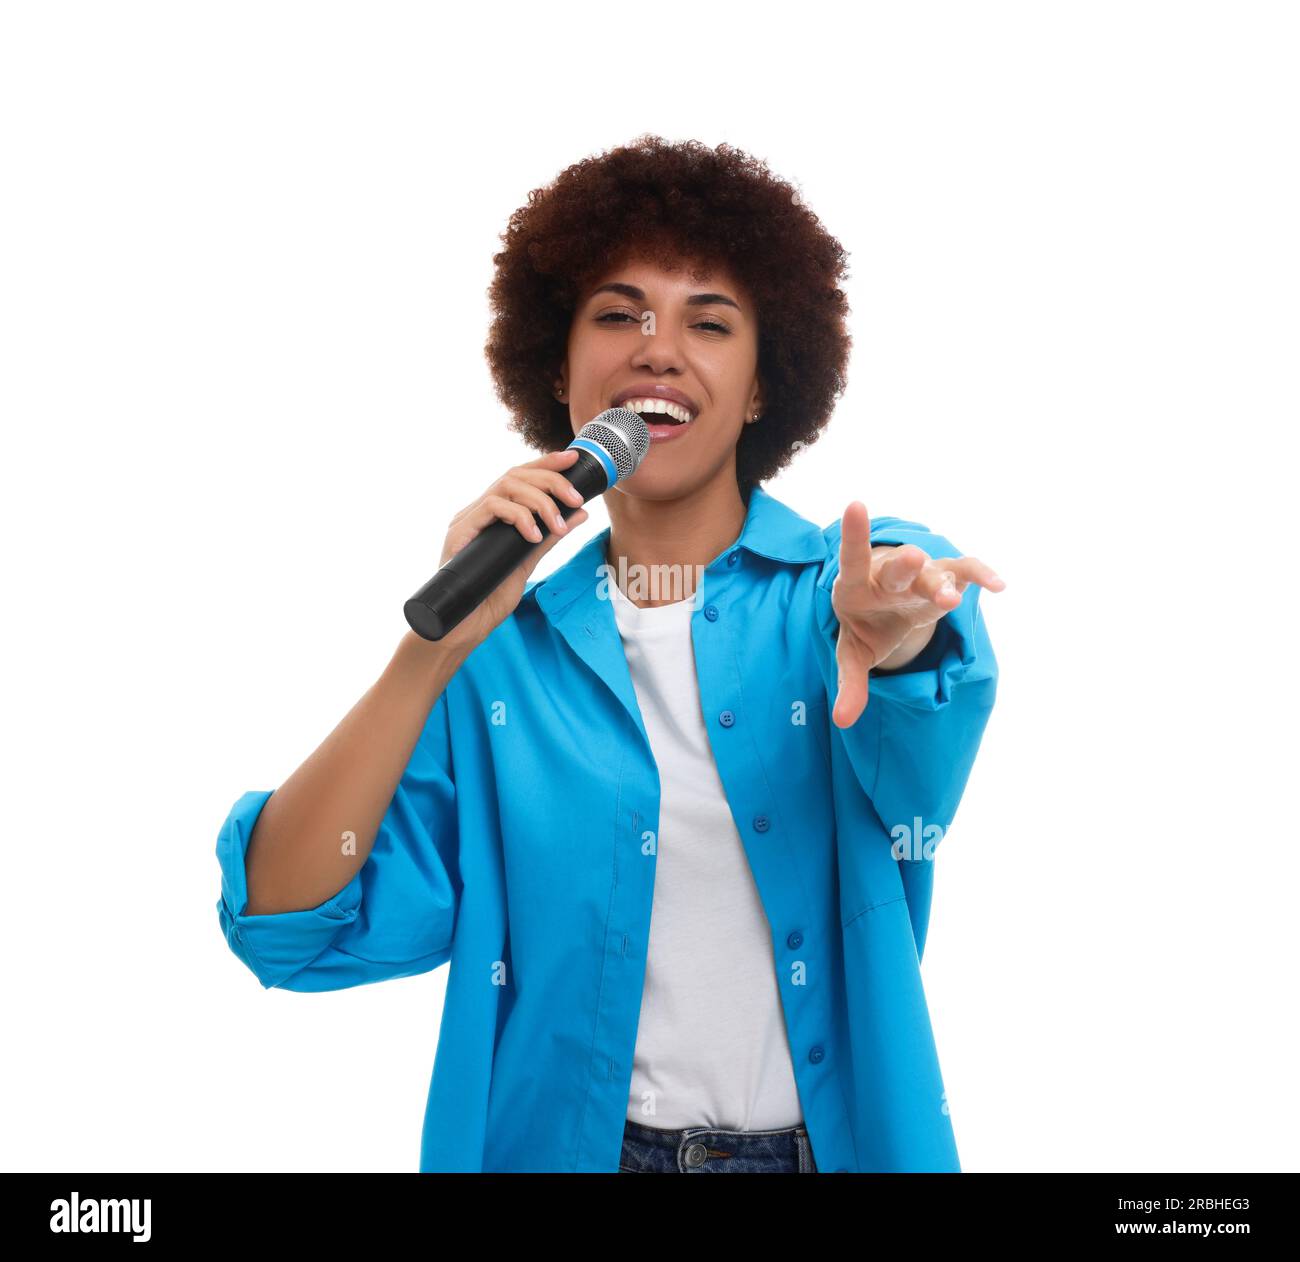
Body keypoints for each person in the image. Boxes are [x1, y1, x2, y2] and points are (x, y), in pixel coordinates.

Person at [214, 135, 1005, 1174]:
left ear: (765, 386)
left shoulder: (838, 594)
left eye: (708, 321)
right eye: (616, 312)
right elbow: (284, 922)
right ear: (558, 365)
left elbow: (919, 685)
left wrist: (895, 636)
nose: (656, 347)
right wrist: (429, 653)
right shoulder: (498, 661)